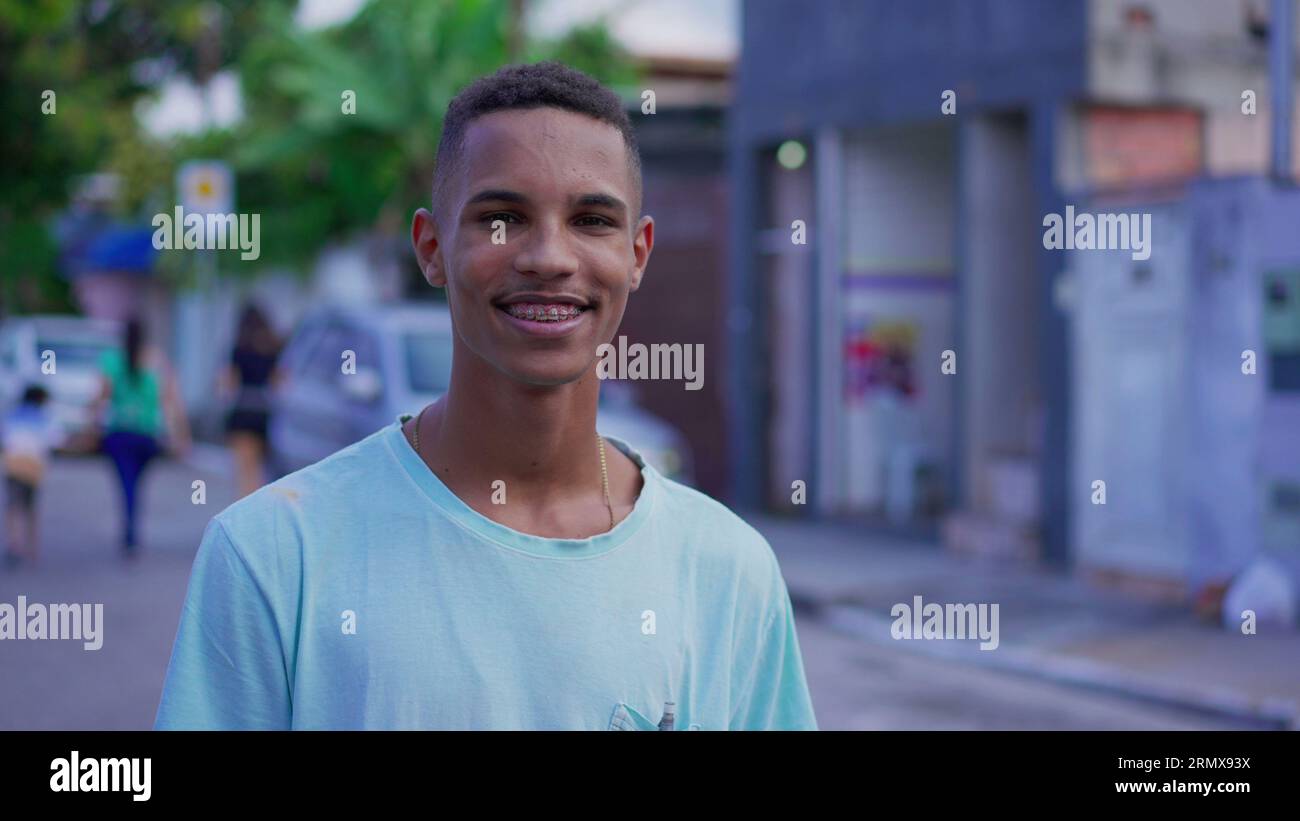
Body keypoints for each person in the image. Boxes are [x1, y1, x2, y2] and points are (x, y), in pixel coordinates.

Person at [156, 62, 817, 730]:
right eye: (503, 218)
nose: (550, 257)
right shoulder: (274, 556)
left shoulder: (731, 574)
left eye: (591, 219)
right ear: (432, 247)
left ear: (638, 253)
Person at [95, 317, 190, 557]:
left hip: (119, 433)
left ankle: (129, 529)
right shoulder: (157, 360)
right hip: (147, 434)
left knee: (125, 482)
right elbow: (171, 401)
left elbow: (101, 398)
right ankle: (132, 527)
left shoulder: (111, 360)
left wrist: (90, 427)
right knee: (137, 483)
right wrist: (181, 435)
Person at [220, 303, 282, 498]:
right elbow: (278, 383)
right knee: (260, 472)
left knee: (244, 471)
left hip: (243, 409)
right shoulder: (272, 349)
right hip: (263, 412)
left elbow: (229, 384)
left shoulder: (239, 349)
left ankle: (245, 514)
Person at [2, 385, 60, 567]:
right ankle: (31, 548)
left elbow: (5, 438)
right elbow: (54, 440)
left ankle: (14, 544)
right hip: (33, 466)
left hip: (13, 463)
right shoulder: (44, 418)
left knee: (13, 506)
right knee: (31, 508)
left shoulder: (12, 415)